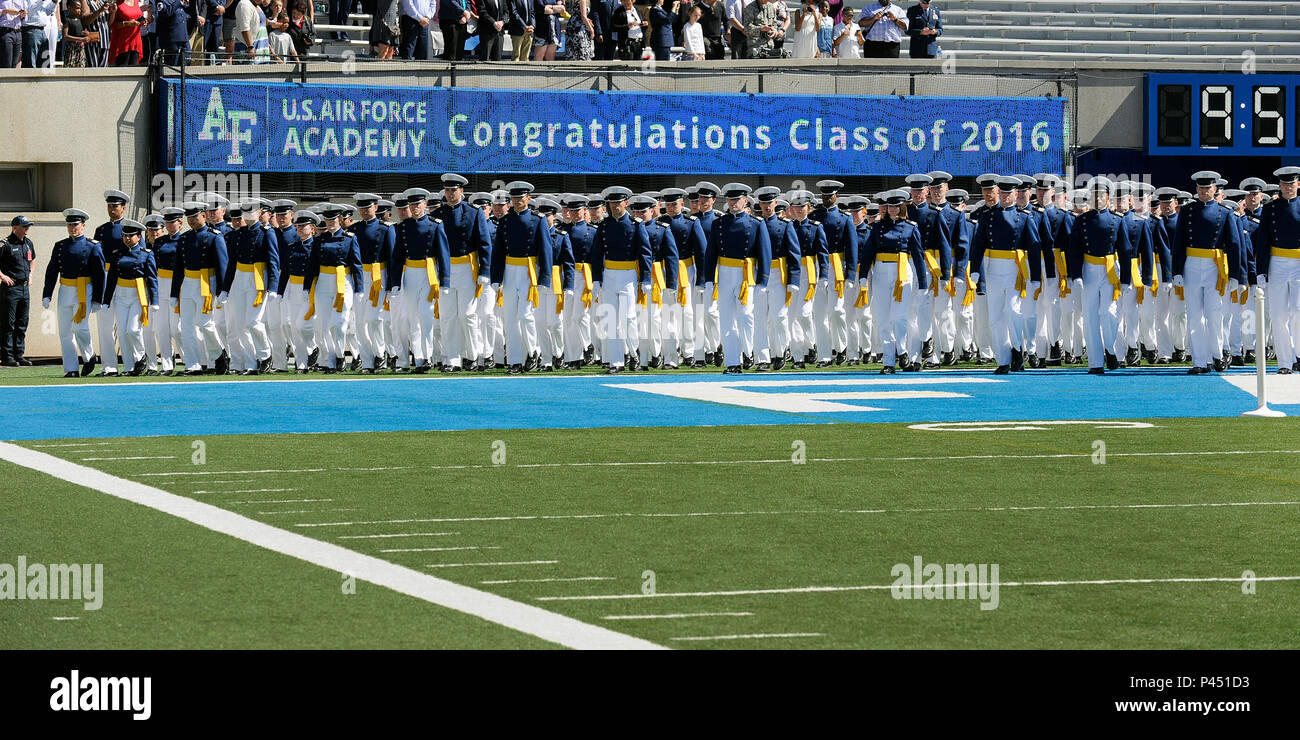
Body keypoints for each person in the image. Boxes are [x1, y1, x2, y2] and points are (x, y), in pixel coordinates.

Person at [1173, 170, 1247, 374]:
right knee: (1195, 315)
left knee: (1215, 313)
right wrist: (1177, 270)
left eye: (1208, 188)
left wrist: (1235, 275)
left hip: (1215, 267)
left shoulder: (1225, 213)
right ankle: (1199, 360)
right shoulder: (1187, 212)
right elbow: (1178, 242)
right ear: (1196, 189)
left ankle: (1218, 355)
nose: (1204, 191)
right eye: (1201, 188)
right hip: (1191, 265)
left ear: (1215, 189)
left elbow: (1234, 245)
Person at [970, 176, 1041, 374]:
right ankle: (1003, 359)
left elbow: (1034, 249)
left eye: (1009, 194)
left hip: (1015, 269)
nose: (1006, 197)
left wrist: (1035, 278)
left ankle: (1017, 348)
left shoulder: (1024, 217)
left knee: (1013, 311)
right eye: (1002, 193)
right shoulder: (987, 216)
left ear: (1016, 194)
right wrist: (975, 270)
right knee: (995, 317)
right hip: (993, 268)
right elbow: (978, 245)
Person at [705, 183, 770, 374]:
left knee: (747, 317)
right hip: (725, 273)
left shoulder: (756, 224)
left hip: (746, 275)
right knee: (726, 319)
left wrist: (763, 281)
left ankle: (752, 354)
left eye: (737, 199)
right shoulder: (718, 224)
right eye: (730, 199)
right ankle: (733, 361)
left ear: (745, 201)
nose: (733, 203)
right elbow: (710, 254)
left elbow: (764, 253)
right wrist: (709, 280)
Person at [490, 181, 553, 374]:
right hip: (510, 270)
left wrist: (545, 278)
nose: (517, 201)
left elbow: (546, 250)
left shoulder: (538, 219)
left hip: (529, 270)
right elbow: (498, 252)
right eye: (514, 198)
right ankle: (515, 360)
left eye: (521, 197)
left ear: (528, 198)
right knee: (510, 318)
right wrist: (496, 278)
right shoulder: (505, 220)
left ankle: (533, 352)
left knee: (526, 316)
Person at [860, 190, 926, 373]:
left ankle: (903, 351)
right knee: (882, 319)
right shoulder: (878, 227)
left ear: (902, 206)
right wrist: (863, 276)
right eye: (890, 206)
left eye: (897, 206)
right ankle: (889, 362)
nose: (893, 209)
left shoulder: (910, 227)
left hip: (902, 273)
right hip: (881, 271)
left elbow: (919, 257)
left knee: (899, 317)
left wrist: (923, 282)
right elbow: (867, 253)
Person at [434, 174, 492, 372]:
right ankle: (452, 359)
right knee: (449, 316)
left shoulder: (474, 213)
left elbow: (484, 242)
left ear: (462, 191)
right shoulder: (438, 213)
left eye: (454, 190)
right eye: (448, 190)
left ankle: (473, 356)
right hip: (445, 268)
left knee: (467, 315)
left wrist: (484, 269)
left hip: (467, 267)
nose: (450, 194)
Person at [589, 186, 649, 373]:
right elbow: (597, 254)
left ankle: (634, 354)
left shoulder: (635, 224)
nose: (615, 206)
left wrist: (646, 278)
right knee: (612, 319)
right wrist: (597, 279)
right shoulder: (605, 226)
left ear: (626, 203)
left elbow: (645, 253)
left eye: (618, 202)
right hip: (610, 275)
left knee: (630, 318)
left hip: (628, 275)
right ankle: (616, 361)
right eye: (612, 203)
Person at [389, 187, 450, 373]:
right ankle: (419, 357)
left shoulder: (435, 224)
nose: (415, 207)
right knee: (412, 318)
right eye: (412, 204)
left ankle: (428, 356)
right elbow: (397, 256)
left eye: (418, 204)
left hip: (428, 273)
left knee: (426, 315)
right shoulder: (403, 227)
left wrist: (445, 280)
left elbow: (443, 254)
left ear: (425, 204)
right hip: (410, 275)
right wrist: (395, 282)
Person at [43, 210, 106, 377]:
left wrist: (98, 299)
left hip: (84, 289)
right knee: (65, 332)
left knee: (80, 328)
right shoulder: (60, 245)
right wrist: (47, 294)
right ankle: (71, 368)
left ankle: (89, 355)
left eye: (76, 224)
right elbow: (52, 271)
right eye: (70, 224)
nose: (73, 228)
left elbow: (100, 274)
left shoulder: (93, 245)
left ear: (83, 226)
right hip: (65, 289)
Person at [171, 200, 228, 375]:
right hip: (188, 283)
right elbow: (178, 267)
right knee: (186, 326)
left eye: (195, 216)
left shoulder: (214, 236)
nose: (192, 220)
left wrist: (222, 290)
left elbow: (222, 265)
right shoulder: (184, 238)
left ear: (203, 216)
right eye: (189, 217)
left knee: (205, 324)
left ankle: (219, 353)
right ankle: (193, 364)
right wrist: (174, 292)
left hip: (206, 282)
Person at [1256, 166, 1300, 374]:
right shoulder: (1270, 209)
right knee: (1278, 314)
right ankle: (1285, 361)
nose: (1288, 187)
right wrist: (1262, 271)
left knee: (1298, 312)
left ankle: (1298, 354)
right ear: (1279, 186)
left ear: (1298, 185)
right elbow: (1263, 240)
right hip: (1278, 262)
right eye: (1285, 184)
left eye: (1292, 184)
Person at [309, 205, 362, 373]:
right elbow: (312, 265)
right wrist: (306, 288)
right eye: (328, 220)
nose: (331, 223)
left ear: (339, 219)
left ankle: (340, 356)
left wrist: (359, 288)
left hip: (343, 281)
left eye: (333, 219)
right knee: (324, 325)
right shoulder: (319, 239)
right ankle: (331, 360)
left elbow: (357, 264)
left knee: (339, 324)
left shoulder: (349, 238)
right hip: (324, 282)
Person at [102, 219, 157, 376]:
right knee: (122, 332)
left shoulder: (146, 254)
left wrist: (155, 300)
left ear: (139, 237)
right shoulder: (118, 254)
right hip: (121, 295)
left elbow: (152, 278)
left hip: (138, 295)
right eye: (125, 235)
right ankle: (129, 367)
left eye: (131, 235)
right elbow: (111, 279)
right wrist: (107, 301)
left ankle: (141, 358)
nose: (127, 238)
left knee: (133, 330)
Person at [0, 216, 35, 367]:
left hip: (24, 288)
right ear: (15, 228)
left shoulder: (28, 243)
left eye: (28, 226)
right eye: (24, 226)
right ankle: (7, 356)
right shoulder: (5, 244)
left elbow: (33, 258)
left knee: (22, 322)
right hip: (10, 289)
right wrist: (2, 276)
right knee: (8, 323)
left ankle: (19, 354)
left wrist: (31, 274)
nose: (27, 228)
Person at [21, 0, 55, 67]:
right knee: (30, 61)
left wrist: (54, 2)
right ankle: (30, 77)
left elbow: (47, 12)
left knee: (45, 62)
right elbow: (28, 12)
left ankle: (44, 77)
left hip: (42, 30)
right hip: (31, 30)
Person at [0, 0, 20, 68]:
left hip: (18, 32)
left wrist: (23, 15)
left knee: (15, 64)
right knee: (6, 63)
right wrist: (6, 11)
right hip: (5, 32)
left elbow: (24, 19)